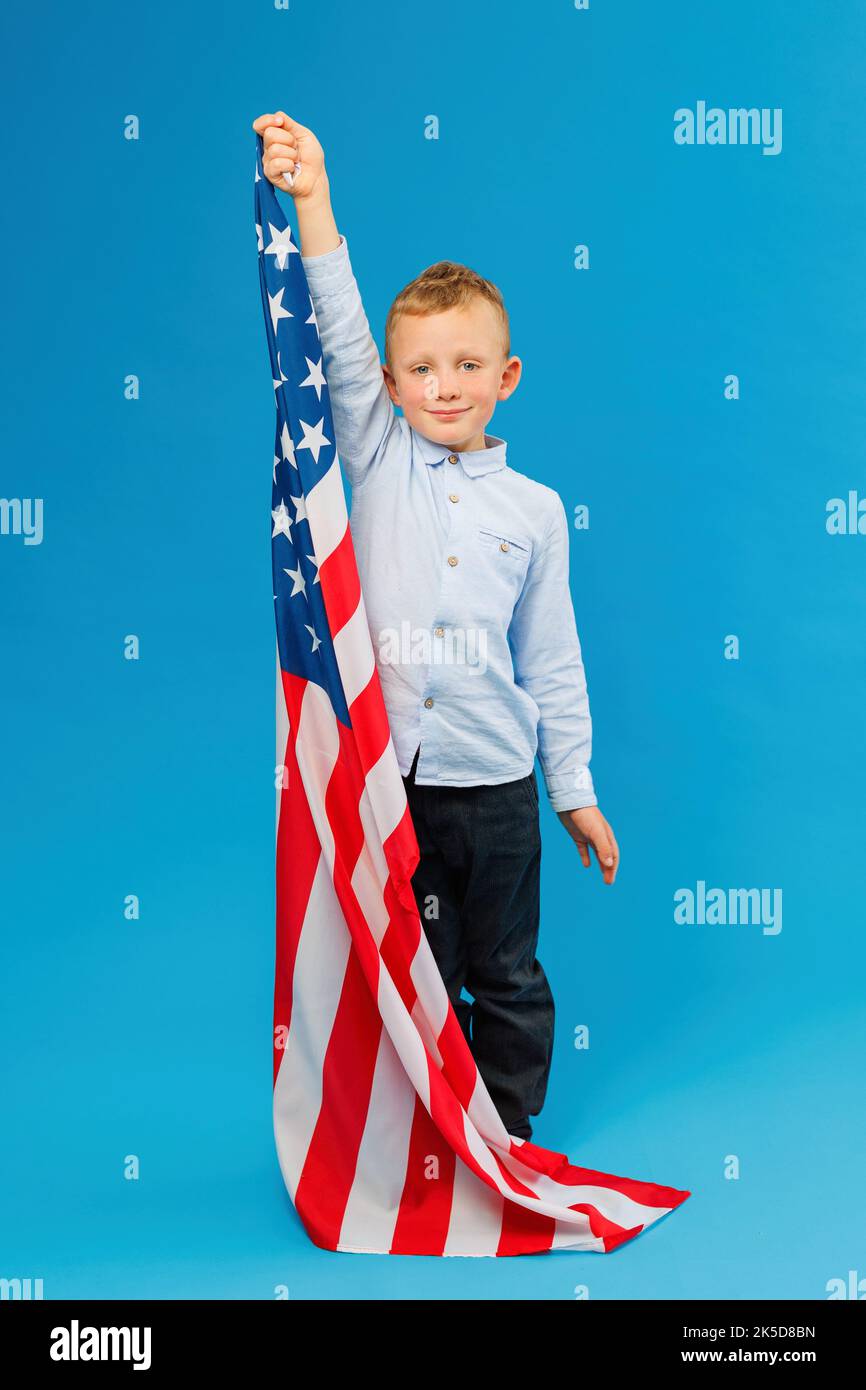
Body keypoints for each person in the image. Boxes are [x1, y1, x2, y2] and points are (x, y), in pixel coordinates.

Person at [252, 110, 620, 1141]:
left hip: (496, 786)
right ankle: (426, 1133)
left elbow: (551, 660)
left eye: (465, 367)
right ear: (394, 384)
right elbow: (333, 322)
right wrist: (311, 195)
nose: (441, 386)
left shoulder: (535, 511)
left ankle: (504, 1137)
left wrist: (573, 791)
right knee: (417, 964)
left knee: (502, 967)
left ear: (504, 377)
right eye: (419, 370)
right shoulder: (374, 456)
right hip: (394, 782)